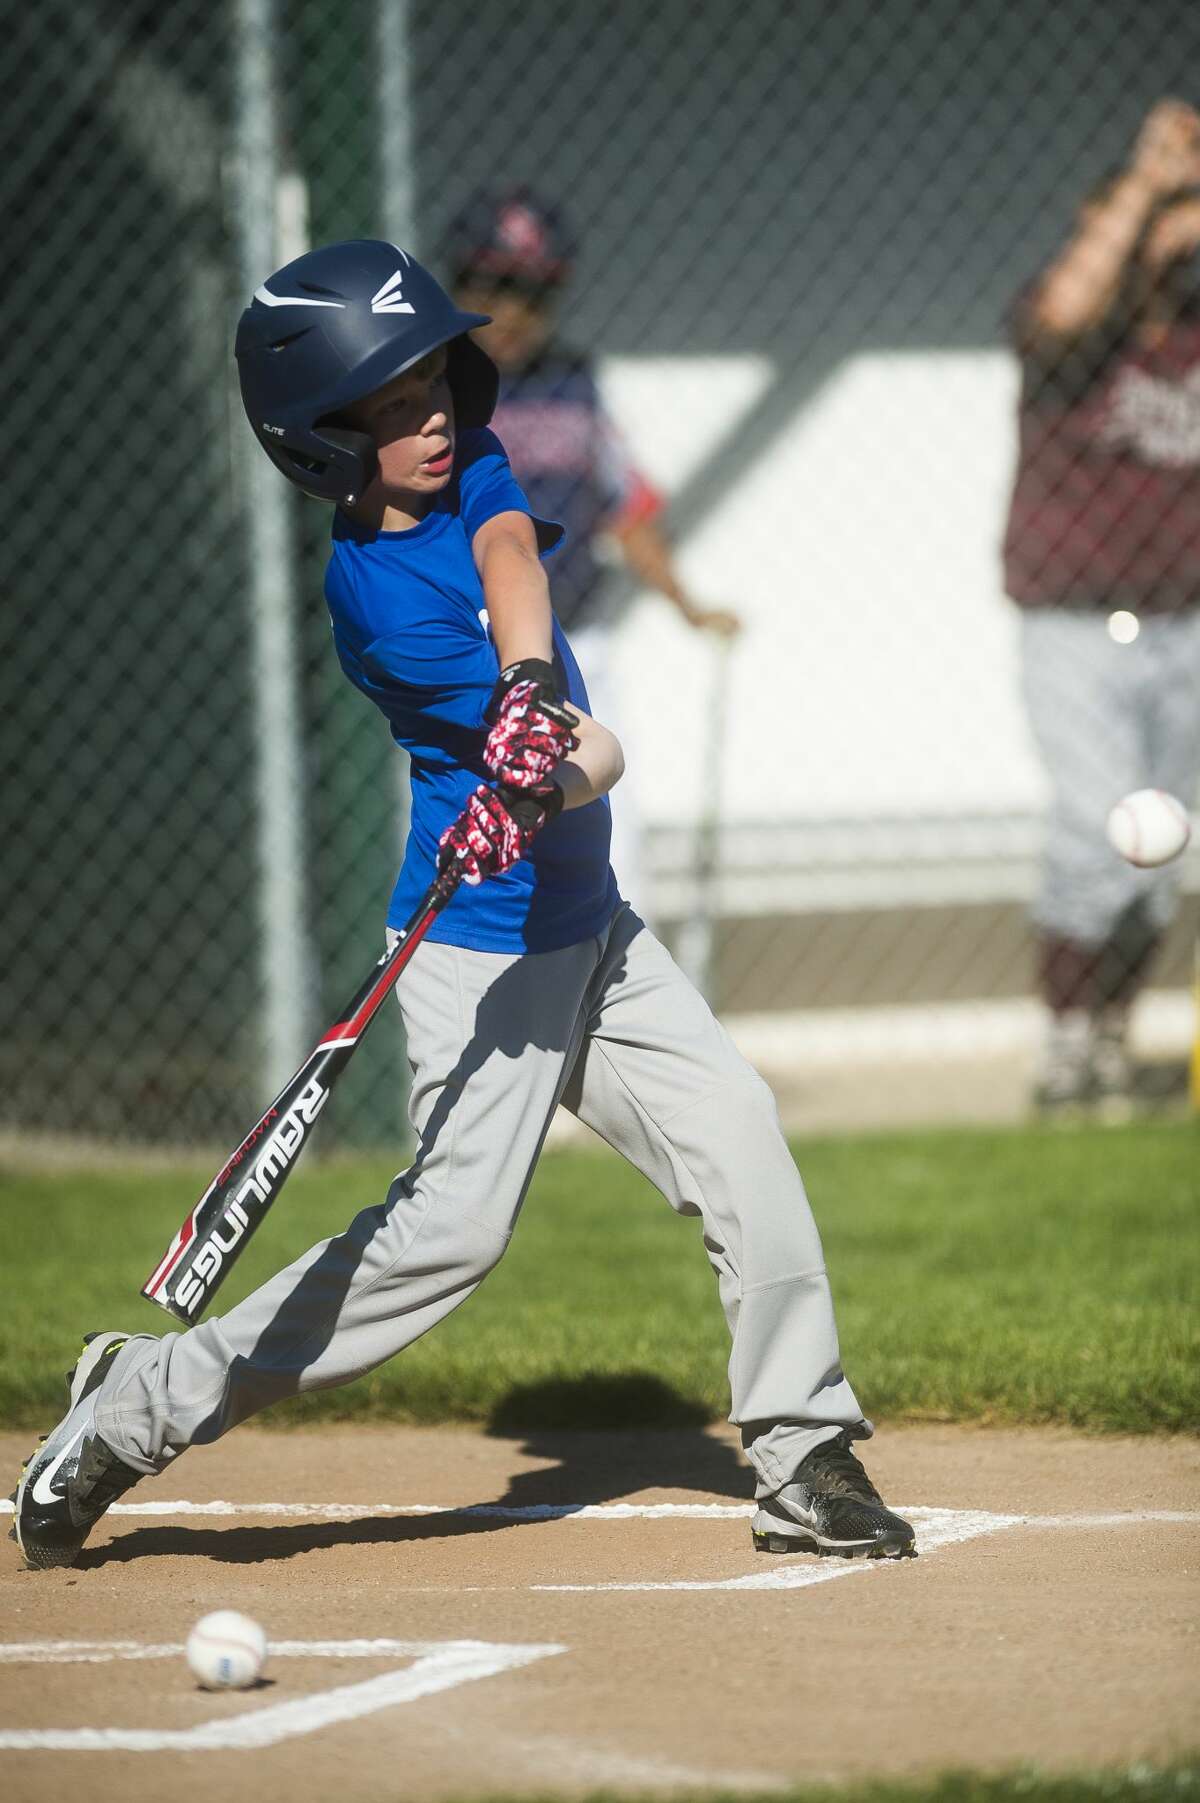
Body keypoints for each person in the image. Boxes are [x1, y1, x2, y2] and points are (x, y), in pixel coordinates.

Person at [10, 240, 914, 1572]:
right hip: (479, 958)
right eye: (390, 406)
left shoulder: (470, 467)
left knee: (738, 1128)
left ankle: (803, 1451)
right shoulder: (377, 605)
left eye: (433, 383)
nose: (431, 419)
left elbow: (513, 560)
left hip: (589, 929)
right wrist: (546, 777)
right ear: (322, 440)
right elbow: (598, 755)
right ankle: (134, 1404)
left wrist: (534, 691)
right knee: (445, 1239)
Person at [446, 189, 741, 915]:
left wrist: (687, 604)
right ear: (458, 284)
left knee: (608, 824)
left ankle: (611, 968)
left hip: (574, 640)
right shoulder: (434, 390)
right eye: (494, 286)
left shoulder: (573, 383)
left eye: (533, 293)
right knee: (468, 824)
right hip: (469, 643)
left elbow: (626, 505)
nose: (512, 311)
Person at [1003, 97, 1200, 1114]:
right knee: (1099, 832)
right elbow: (1067, 306)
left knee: (1163, 856)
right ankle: (1066, 1039)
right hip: (1075, 626)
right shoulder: (1073, 339)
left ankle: (1112, 1033)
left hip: (1186, 625)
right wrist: (1147, 183)